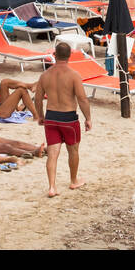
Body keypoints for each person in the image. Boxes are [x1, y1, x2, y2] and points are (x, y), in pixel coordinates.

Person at [34, 42, 92, 197]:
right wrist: (88, 118)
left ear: (55, 55)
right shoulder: (74, 75)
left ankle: (52, 187)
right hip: (68, 118)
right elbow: (82, 99)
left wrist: (40, 116)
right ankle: (73, 181)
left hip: (51, 117)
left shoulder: (45, 75)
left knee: (52, 154)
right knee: (73, 151)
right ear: (70, 56)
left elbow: (37, 99)